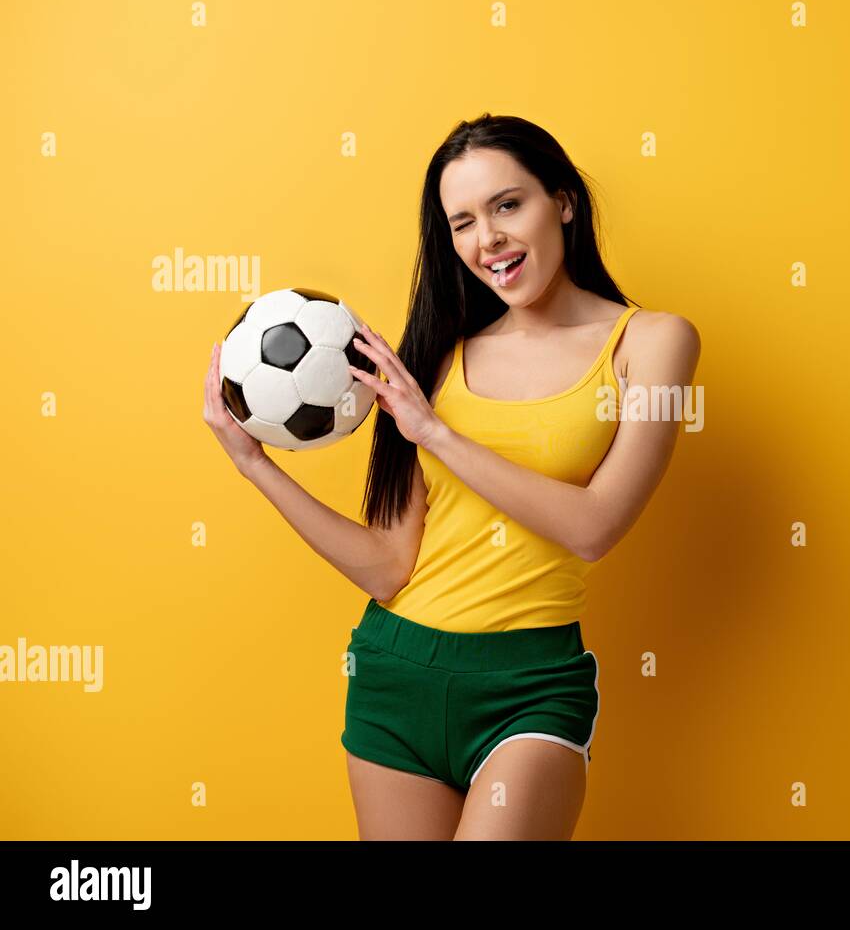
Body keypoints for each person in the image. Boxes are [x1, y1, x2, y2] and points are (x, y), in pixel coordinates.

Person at [202, 113, 701, 839]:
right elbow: (387, 566)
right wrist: (255, 465)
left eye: (507, 204)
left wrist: (434, 432)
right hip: (394, 673)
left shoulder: (653, 343)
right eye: (461, 221)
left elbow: (597, 526)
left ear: (562, 201)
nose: (486, 239)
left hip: (529, 687)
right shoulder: (434, 360)